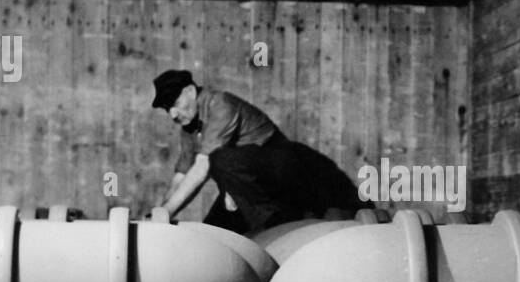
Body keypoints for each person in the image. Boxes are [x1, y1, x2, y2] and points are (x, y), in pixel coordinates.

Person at [150, 70, 364, 233]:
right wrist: (158, 215)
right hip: (247, 181)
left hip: (285, 163)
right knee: (214, 232)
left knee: (219, 160)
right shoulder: (189, 128)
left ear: (189, 91)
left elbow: (202, 167)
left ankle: (275, 222)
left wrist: (167, 213)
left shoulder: (220, 103)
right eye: (167, 109)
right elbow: (180, 178)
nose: (172, 114)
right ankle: (267, 220)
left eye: (174, 103)